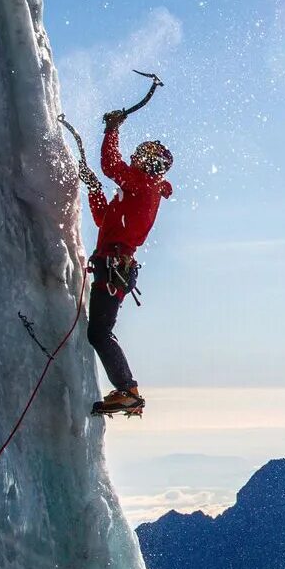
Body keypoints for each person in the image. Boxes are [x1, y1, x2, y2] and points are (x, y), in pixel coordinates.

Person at [80, 84, 173, 415]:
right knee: (100, 331)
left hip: (112, 268)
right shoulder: (141, 189)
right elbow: (105, 219)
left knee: (99, 332)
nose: (135, 157)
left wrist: (112, 130)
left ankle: (128, 390)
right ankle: (127, 390)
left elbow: (110, 165)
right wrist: (93, 189)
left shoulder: (142, 184)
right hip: (114, 267)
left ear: (148, 163)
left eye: (141, 154)